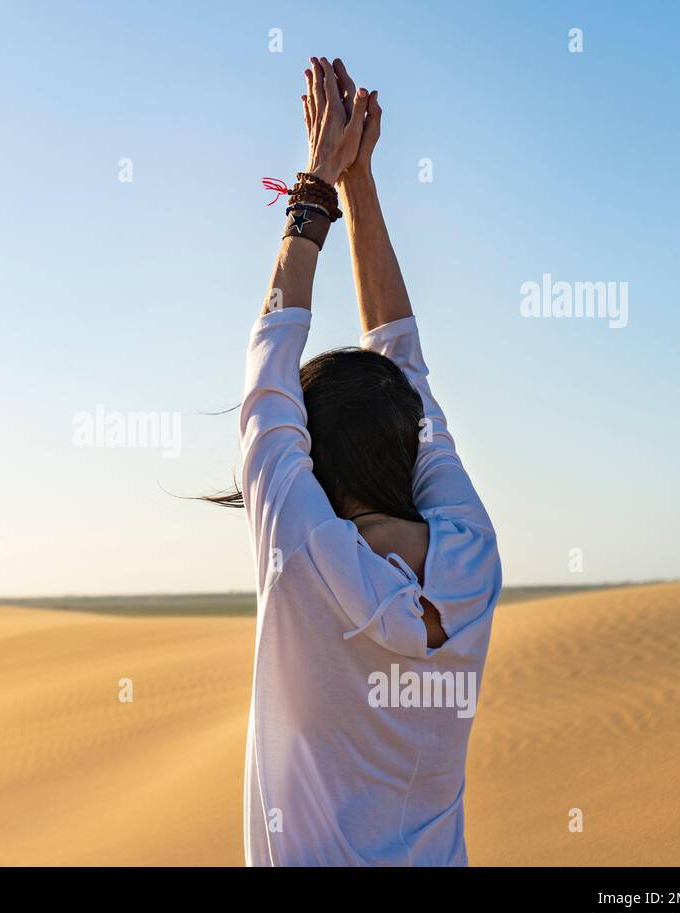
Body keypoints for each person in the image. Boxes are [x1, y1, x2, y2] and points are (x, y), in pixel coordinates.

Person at [217, 56, 502, 866]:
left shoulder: (301, 553)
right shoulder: (472, 557)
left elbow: (275, 369)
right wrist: (354, 184)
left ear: (315, 461)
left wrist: (323, 174)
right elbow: (394, 368)